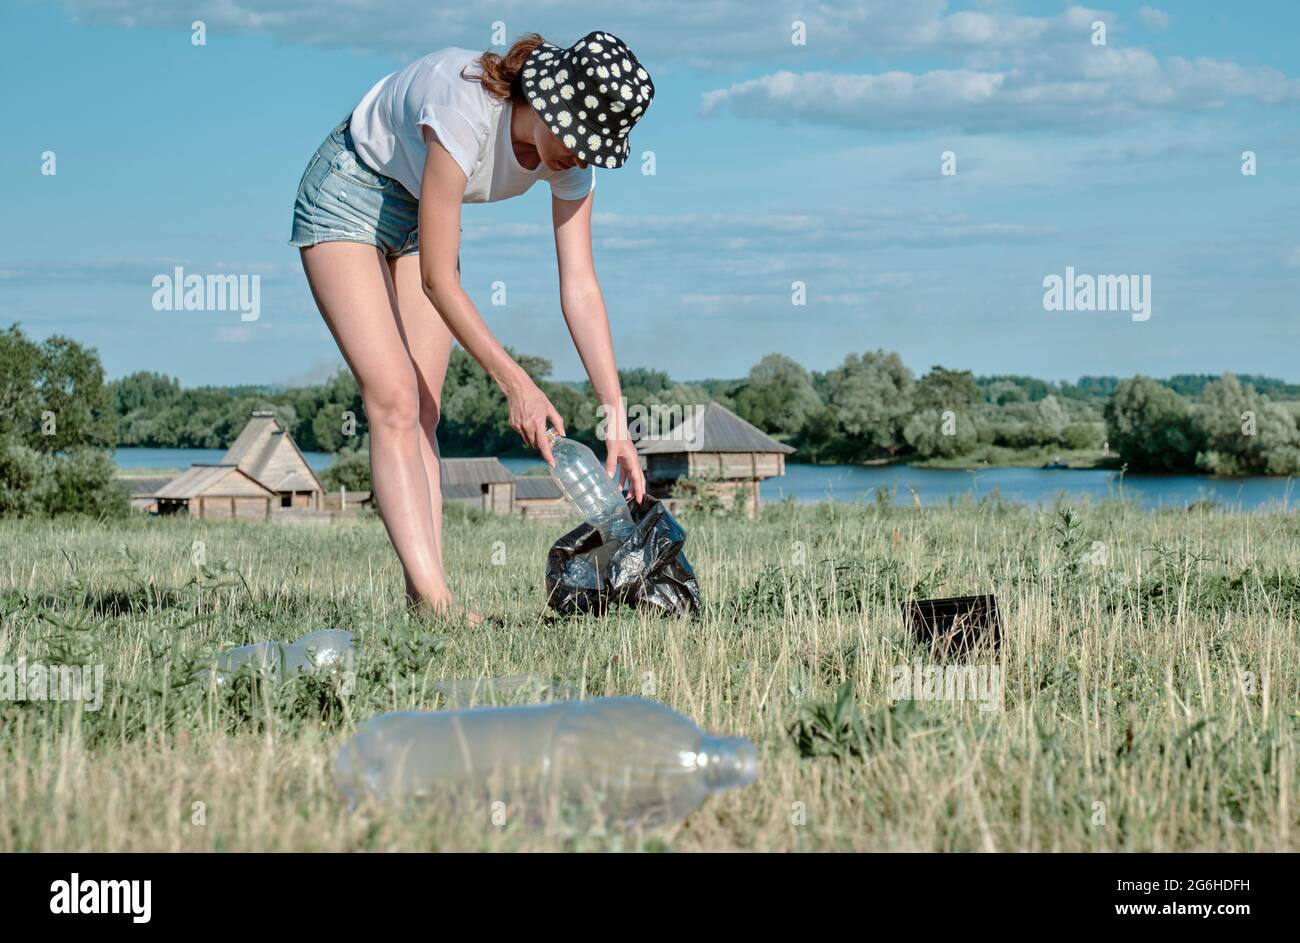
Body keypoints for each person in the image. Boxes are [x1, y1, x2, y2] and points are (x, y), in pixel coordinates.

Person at [289, 31, 653, 617]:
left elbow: (581, 288)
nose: (582, 157)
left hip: (417, 217)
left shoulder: (568, 163)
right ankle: (436, 602)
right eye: (579, 139)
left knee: (424, 411)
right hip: (348, 193)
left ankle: (424, 597)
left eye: (596, 148)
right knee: (393, 399)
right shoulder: (466, 106)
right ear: (544, 97)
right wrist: (516, 383)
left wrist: (617, 422)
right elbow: (439, 279)